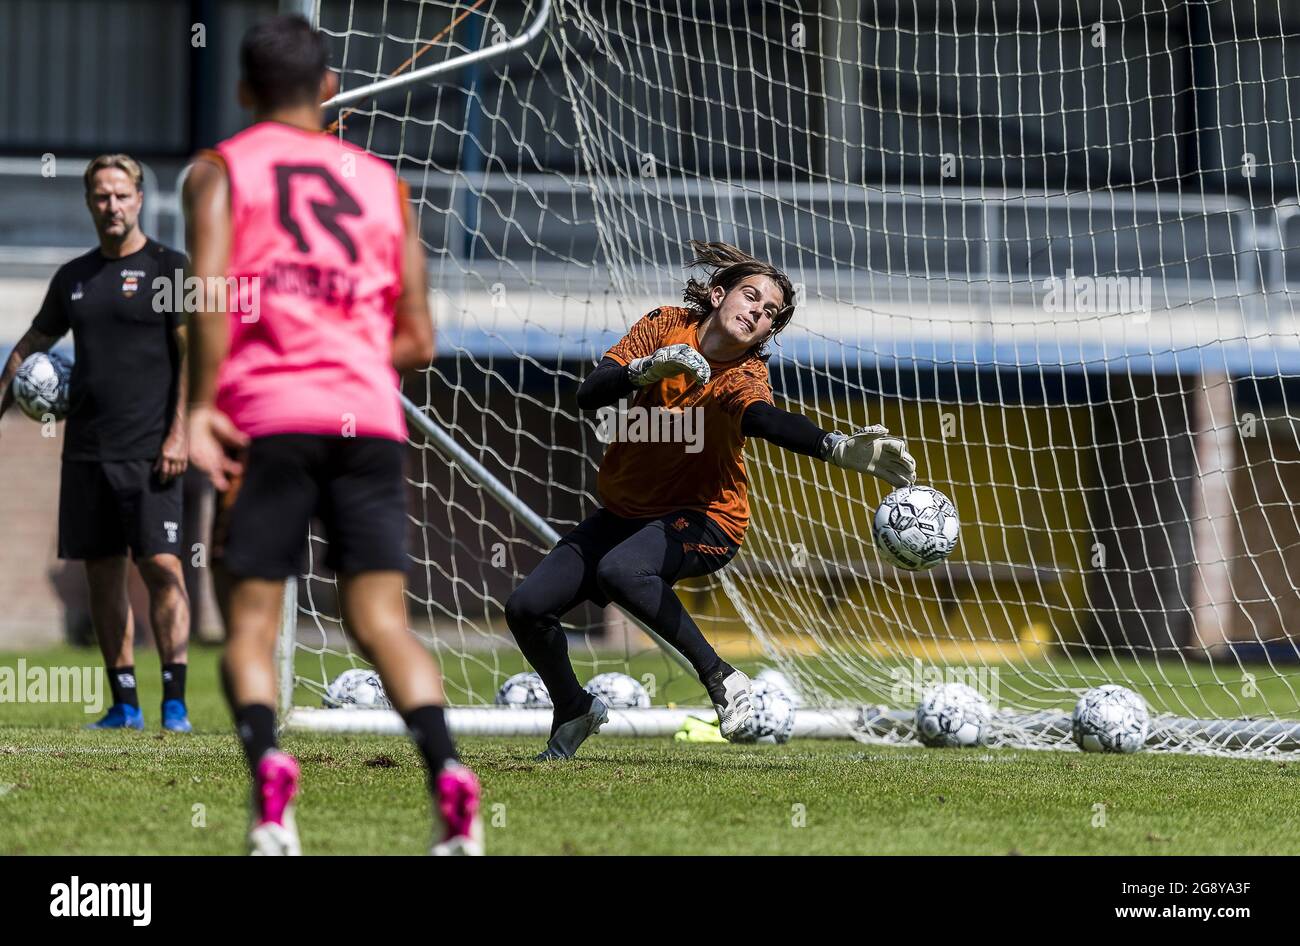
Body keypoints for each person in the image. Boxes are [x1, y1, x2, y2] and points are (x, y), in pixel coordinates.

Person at [183, 14, 481, 855]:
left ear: (242, 91)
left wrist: (201, 402)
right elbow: (418, 340)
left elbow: (210, 294)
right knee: (383, 621)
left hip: (267, 420)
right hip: (369, 423)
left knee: (246, 630)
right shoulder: (383, 182)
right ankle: (451, 775)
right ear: (329, 88)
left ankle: (273, 793)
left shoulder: (220, 172)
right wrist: (345, 348)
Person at [507, 240, 917, 760]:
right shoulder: (663, 325)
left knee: (622, 572)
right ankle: (573, 708)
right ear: (719, 294)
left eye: (771, 313)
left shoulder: (744, 376)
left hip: (708, 520)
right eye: (752, 297)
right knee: (526, 608)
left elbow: (766, 421)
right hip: (625, 514)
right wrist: (645, 370)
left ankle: (724, 679)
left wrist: (833, 446)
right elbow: (590, 394)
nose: (759, 313)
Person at [0, 153, 193, 732]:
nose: (112, 206)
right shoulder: (74, 278)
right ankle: (125, 705)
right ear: (89, 203)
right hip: (86, 453)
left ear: (140, 199)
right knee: (102, 578)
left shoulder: (169, 268)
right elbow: (31, 344)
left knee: (162, 567)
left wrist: (181, 430)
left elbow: (192, 355)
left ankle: (176, 704)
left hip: (153, 450)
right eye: (101, 196)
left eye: (121, 195)